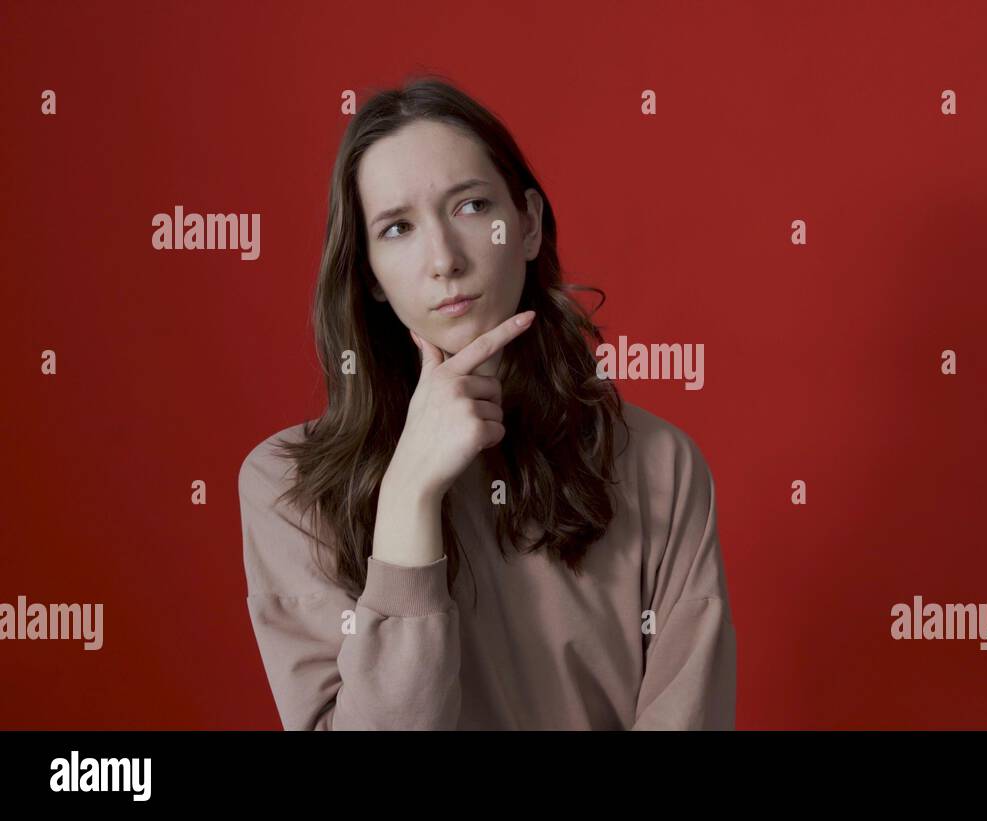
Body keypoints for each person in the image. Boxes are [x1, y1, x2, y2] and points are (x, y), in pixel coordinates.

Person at [237, 75, 736, 730]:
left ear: (526, 225)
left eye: (470, 206)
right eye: (397, 228)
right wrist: (409, 498)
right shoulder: (286, 484)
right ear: (372, 278)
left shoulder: (660, 463)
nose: (443, 258)